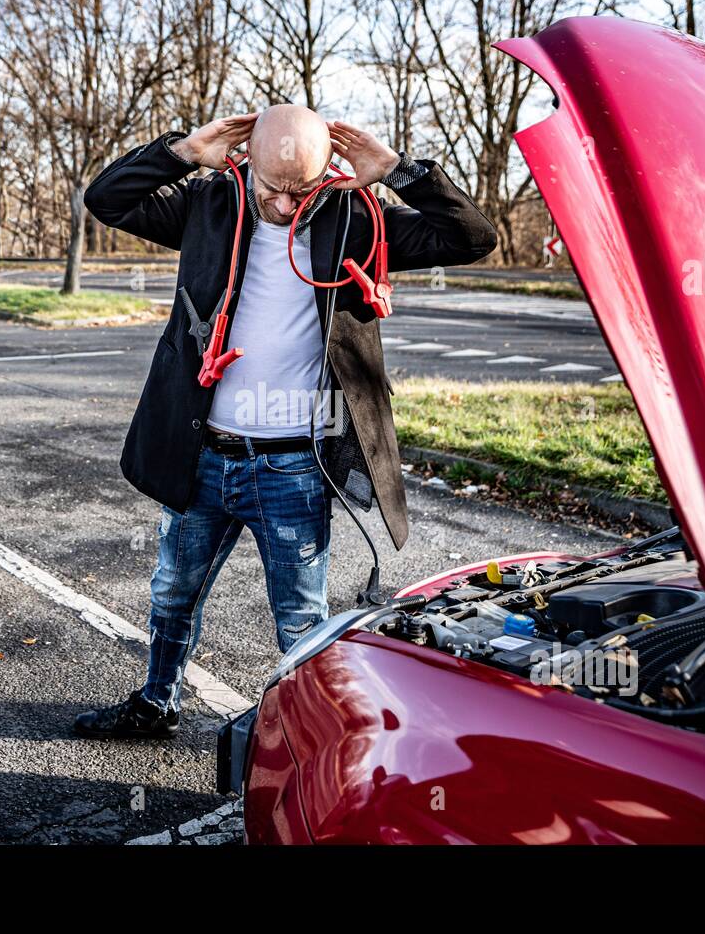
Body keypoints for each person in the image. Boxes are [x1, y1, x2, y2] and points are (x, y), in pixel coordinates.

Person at [75, 105, 497, 738]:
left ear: (326, 168)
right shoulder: (210, 206)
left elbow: (473, 238)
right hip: (204, 457)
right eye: (271, 184)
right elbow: (106, 200)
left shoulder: (357, 219)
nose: (282, 201)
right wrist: (183, 152)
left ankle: (313, 741)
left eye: (299, 187)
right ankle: (156, 702)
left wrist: (399, 171)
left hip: (294, 466)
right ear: (246, 159)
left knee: (302, 621)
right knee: (172, 594)